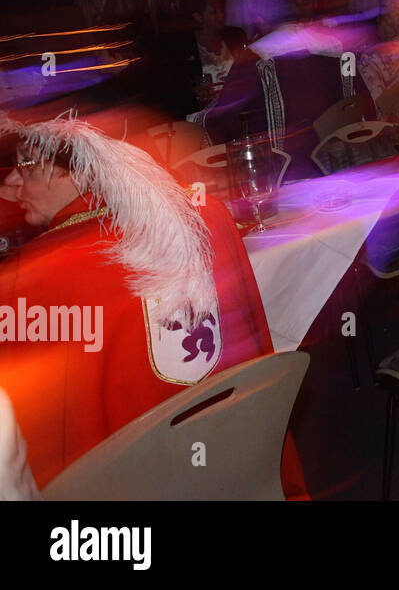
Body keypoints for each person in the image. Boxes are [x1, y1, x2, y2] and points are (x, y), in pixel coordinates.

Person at [0, 111, 276, 490]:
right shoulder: (209, 213)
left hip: (131, 484)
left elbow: (31, 429)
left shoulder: (36, 270)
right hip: (237, 452)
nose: (11, 182)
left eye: (27, 165)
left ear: (81, 168)